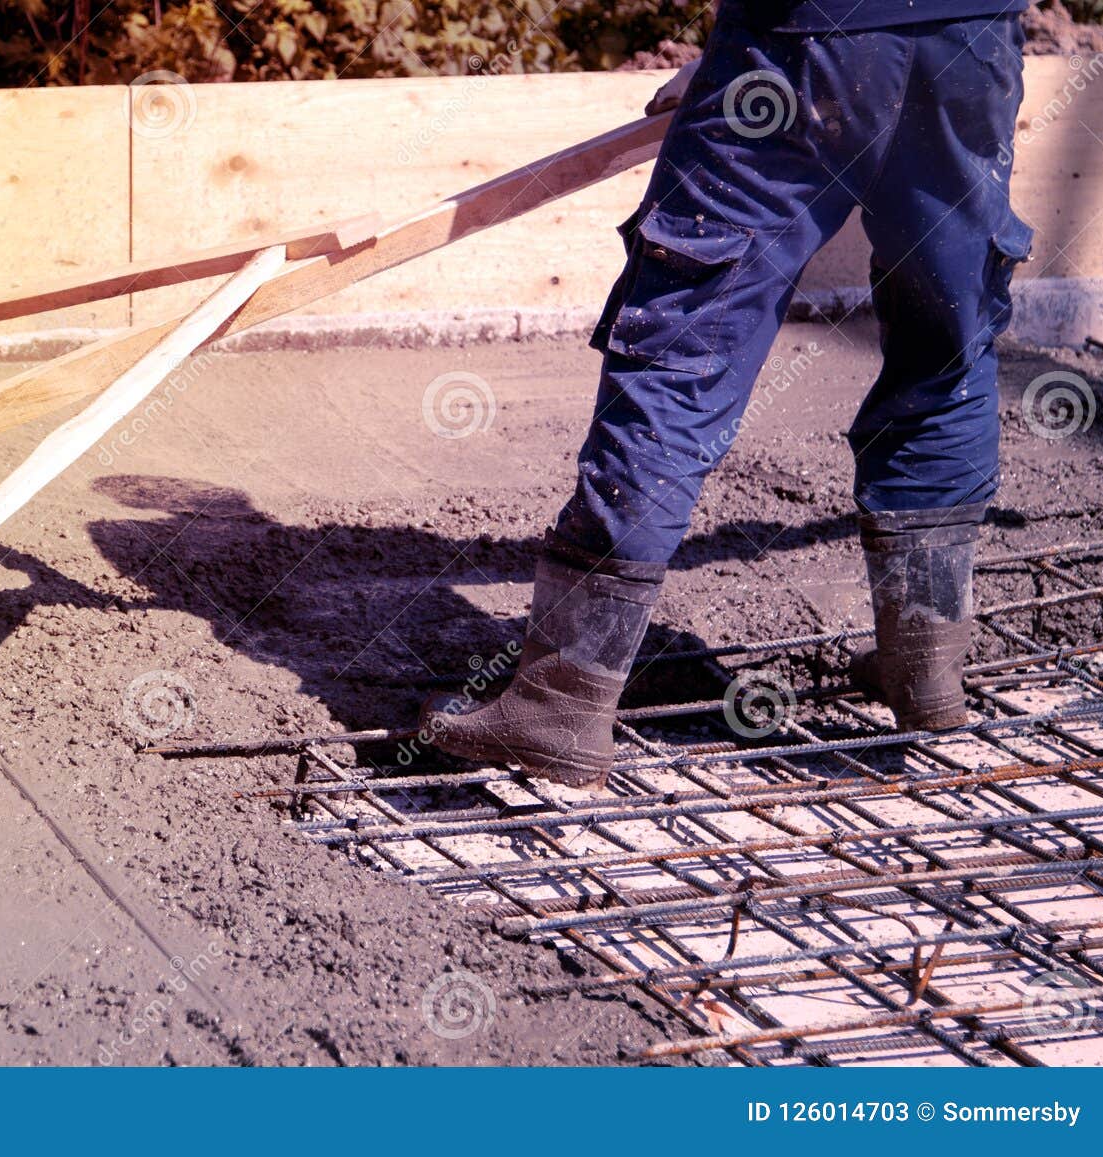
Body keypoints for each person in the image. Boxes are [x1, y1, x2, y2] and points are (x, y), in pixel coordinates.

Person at [423, 0, 1035, 787]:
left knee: (685, 343)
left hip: (800, 37)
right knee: (946, 334)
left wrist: (750, 43)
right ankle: (926, 663)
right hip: (972, 37)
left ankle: (562, 699)